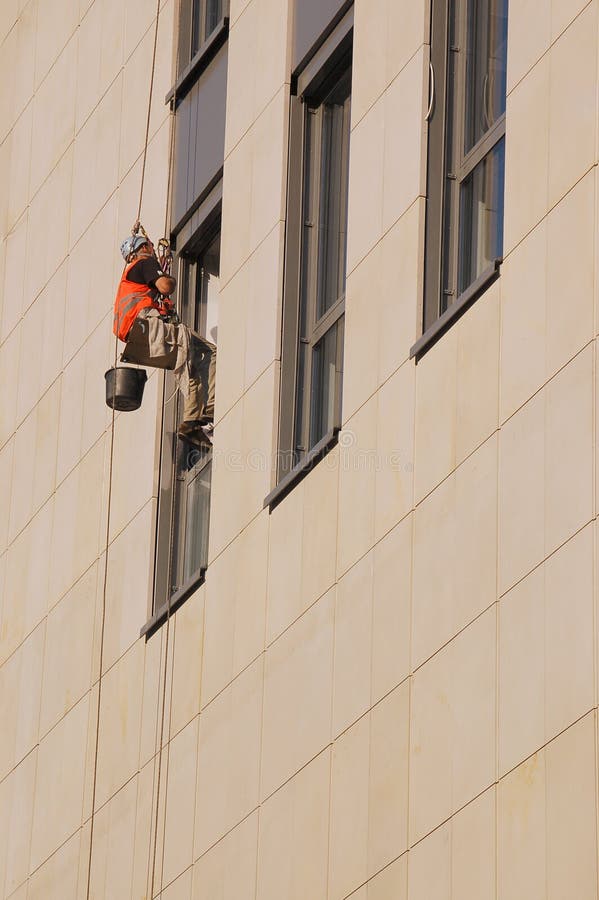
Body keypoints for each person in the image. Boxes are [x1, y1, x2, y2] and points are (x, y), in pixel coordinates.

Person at [113, 233, 216, 447]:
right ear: (143, 248)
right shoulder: (145, 262)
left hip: (137, 335)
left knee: (189, 357)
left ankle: (192, 422)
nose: (151, 248)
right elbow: (165, 286)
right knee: (208, 352)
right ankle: (209, 409)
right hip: (146, 325)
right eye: (149, 245)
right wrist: (170, 279)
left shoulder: (130, 279)